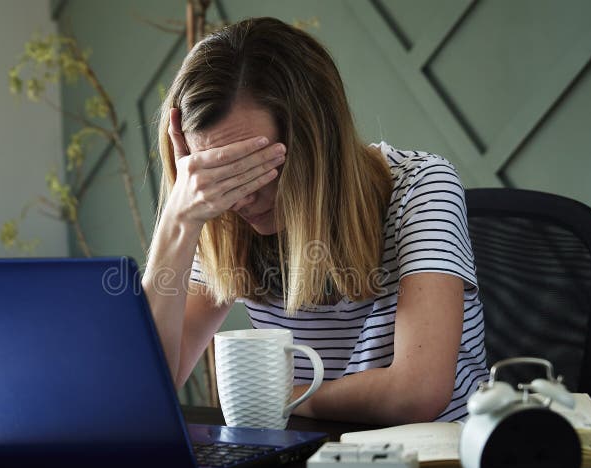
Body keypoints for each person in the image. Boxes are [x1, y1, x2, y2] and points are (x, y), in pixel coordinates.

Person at [142, 17, 488, 425]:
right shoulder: (220, 211)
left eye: (257, 168)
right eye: (220, 174)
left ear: (318, 141)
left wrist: (282, 396)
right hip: (302, 461)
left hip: (431, 466)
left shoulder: (422, 186)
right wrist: (178, 222)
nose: (242, 196)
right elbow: (150, 384)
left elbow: (418, 393)